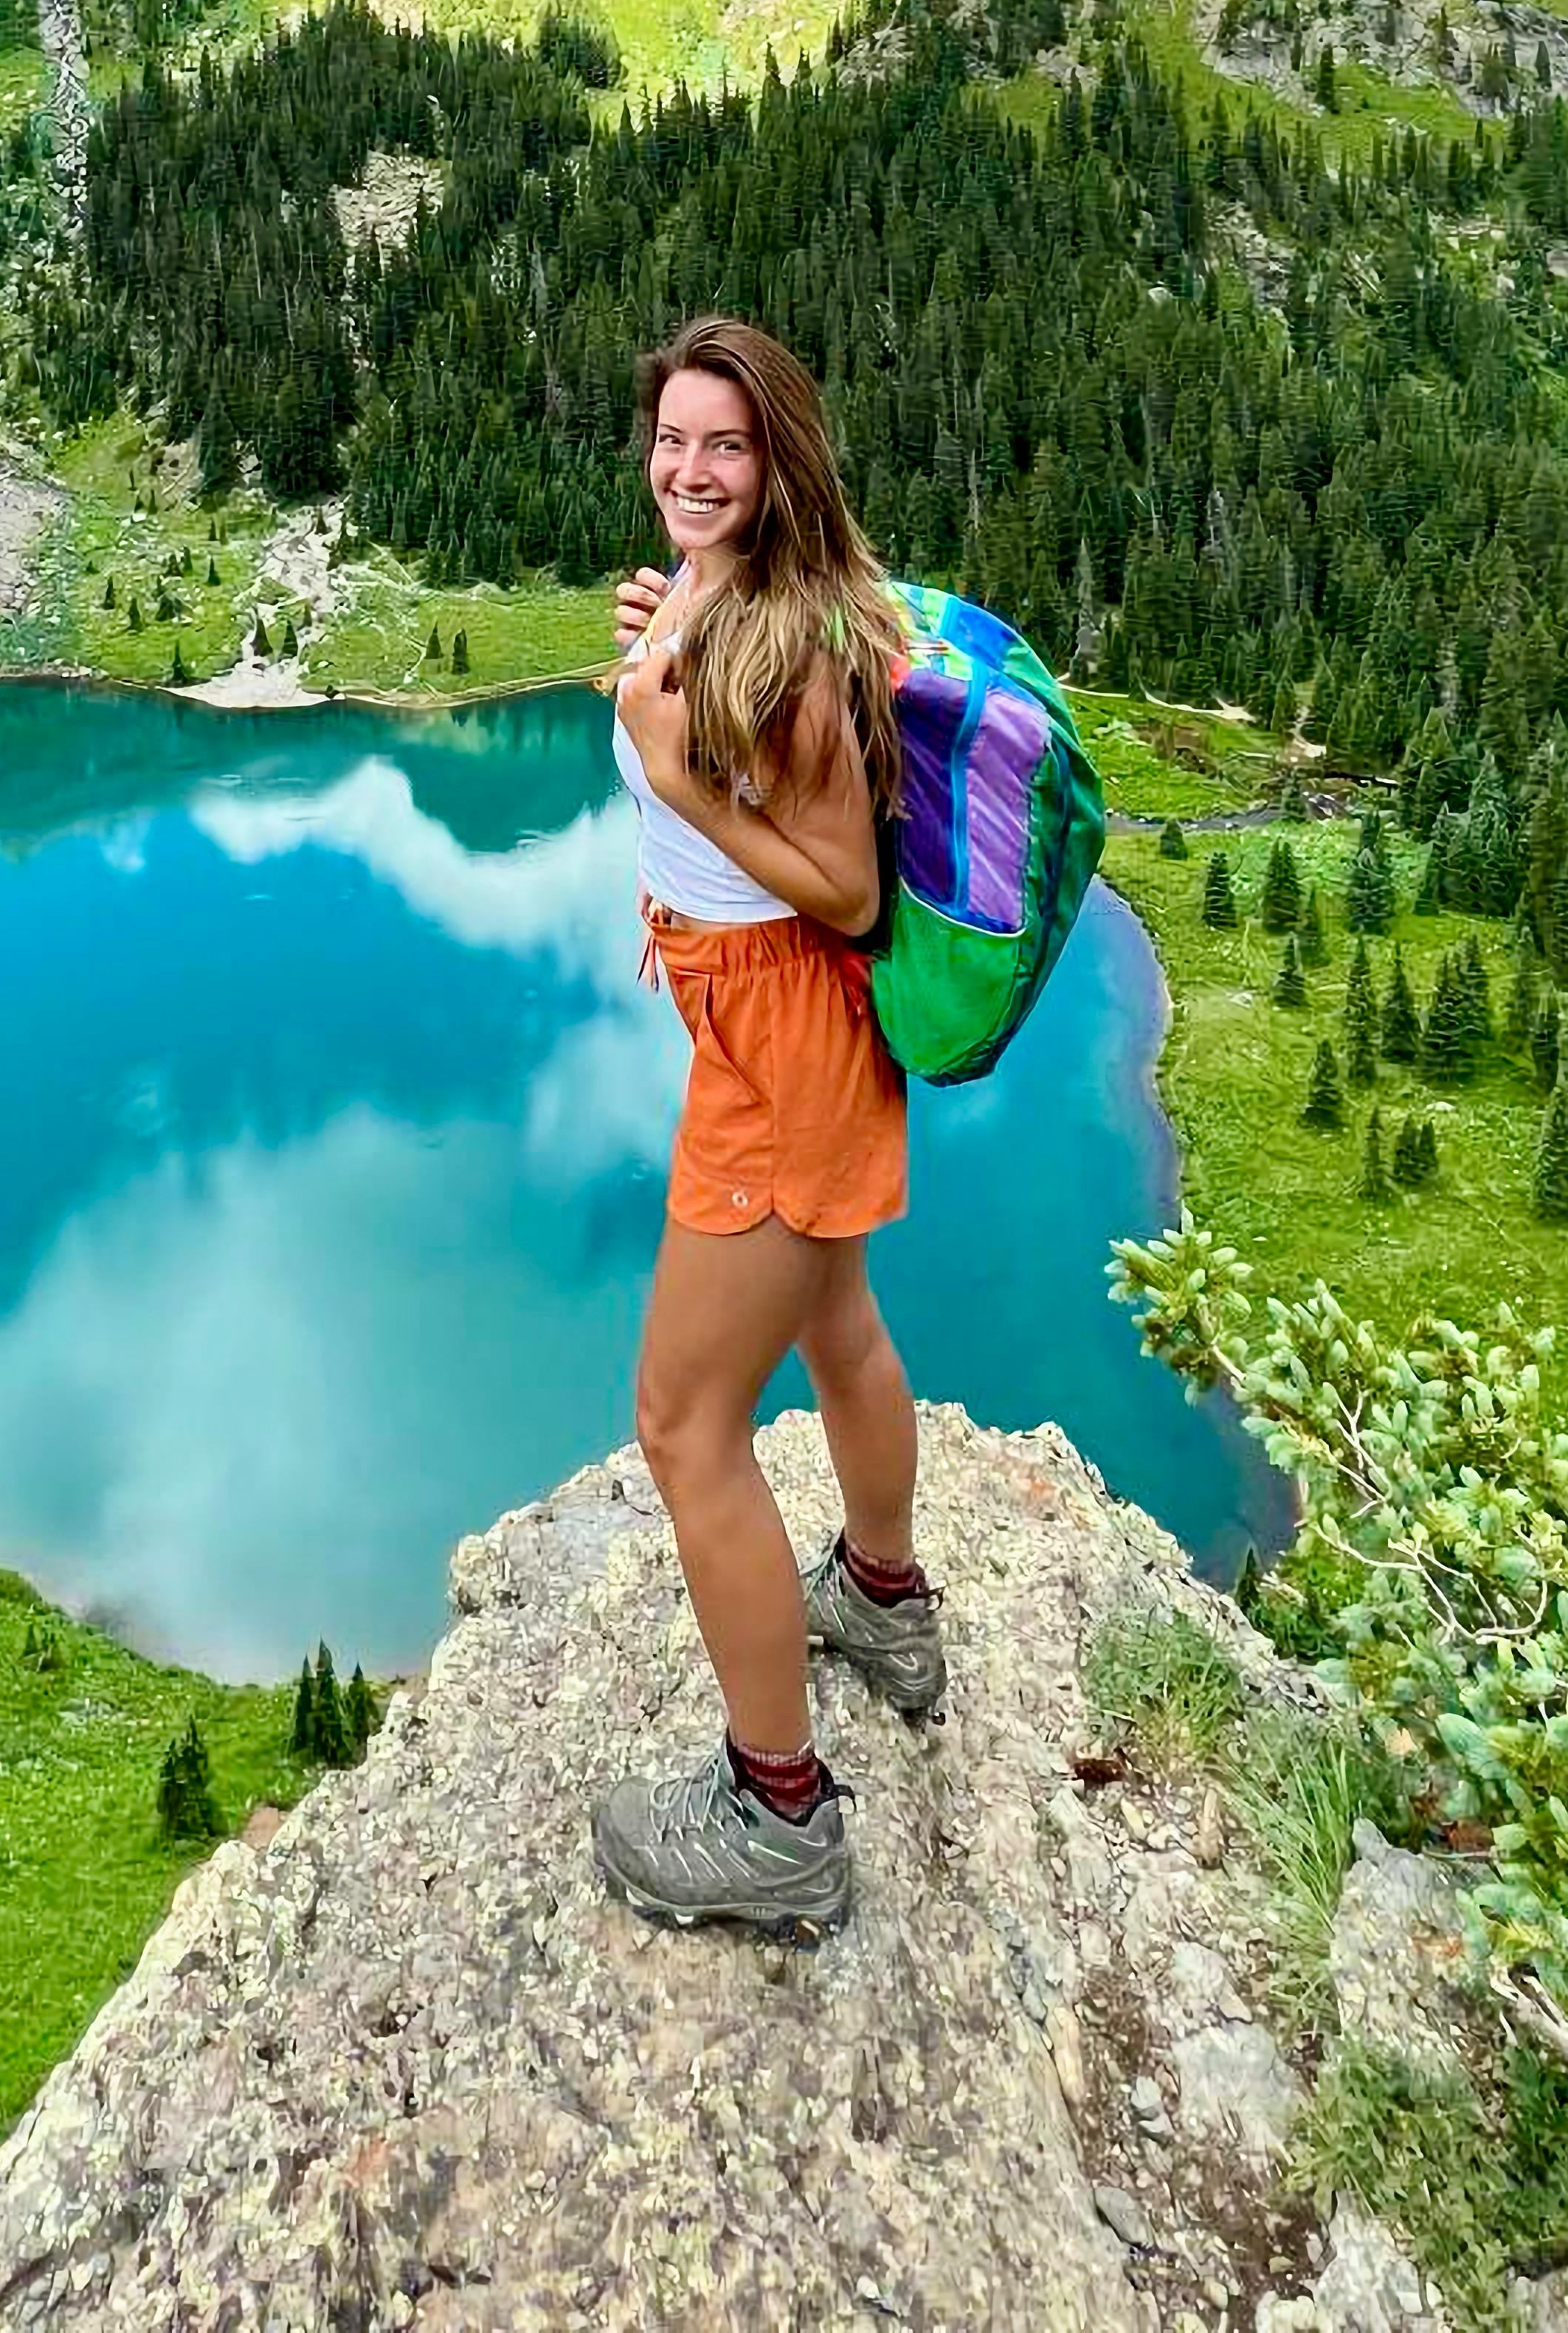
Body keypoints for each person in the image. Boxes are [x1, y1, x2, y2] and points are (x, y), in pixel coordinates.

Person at [588, 311, 943, 1938]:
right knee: (842, 1323)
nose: (688, 466)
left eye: (724, 444)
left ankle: (779, 1816)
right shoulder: (733, 597)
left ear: (779, 455)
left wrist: (680, 775)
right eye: (673, 438)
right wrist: (672, 632)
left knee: (683, 1422)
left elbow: (847, 886)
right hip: (757, 1030)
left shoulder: (798, 645)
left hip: (782, 1046)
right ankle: (882, 1604)